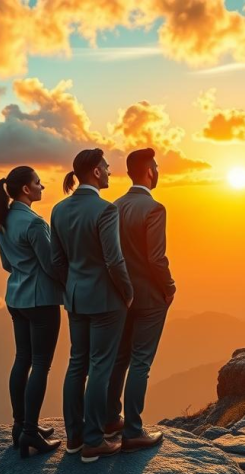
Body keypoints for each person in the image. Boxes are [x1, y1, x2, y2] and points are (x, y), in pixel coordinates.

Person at [50, 149, 134, 464]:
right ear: (96, 172)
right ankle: (95, 441)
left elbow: (57, 261)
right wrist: (127, 293)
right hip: (105, 301)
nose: (111, 172)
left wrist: (72, 286)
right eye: (107, 168)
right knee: (101, 366)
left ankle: (74, 438)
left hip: (74, 298)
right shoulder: (105, 210)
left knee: (77, 365)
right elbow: (114, 260)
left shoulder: (57, 210)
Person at [0, 166, 63, 459]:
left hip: (15, 297)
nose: (42, 187)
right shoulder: (35, 223)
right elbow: (50, 266)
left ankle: (20, 426)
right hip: (41, 300)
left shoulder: (3, 219)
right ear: (25, 190)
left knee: (22, 359)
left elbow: (6, 264)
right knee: (41, 364)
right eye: (38, 183)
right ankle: (31, 432)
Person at [107, 148, 173, 452]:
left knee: (119, 358)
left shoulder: (114, 206)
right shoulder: (154, 208)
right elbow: (156, 258)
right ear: (149, 171)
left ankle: (110, 418)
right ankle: (133, 430)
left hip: (120, 297)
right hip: (148, 296)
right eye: (156, 167)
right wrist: (169, 287)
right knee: (141, 362)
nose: (158, 171)